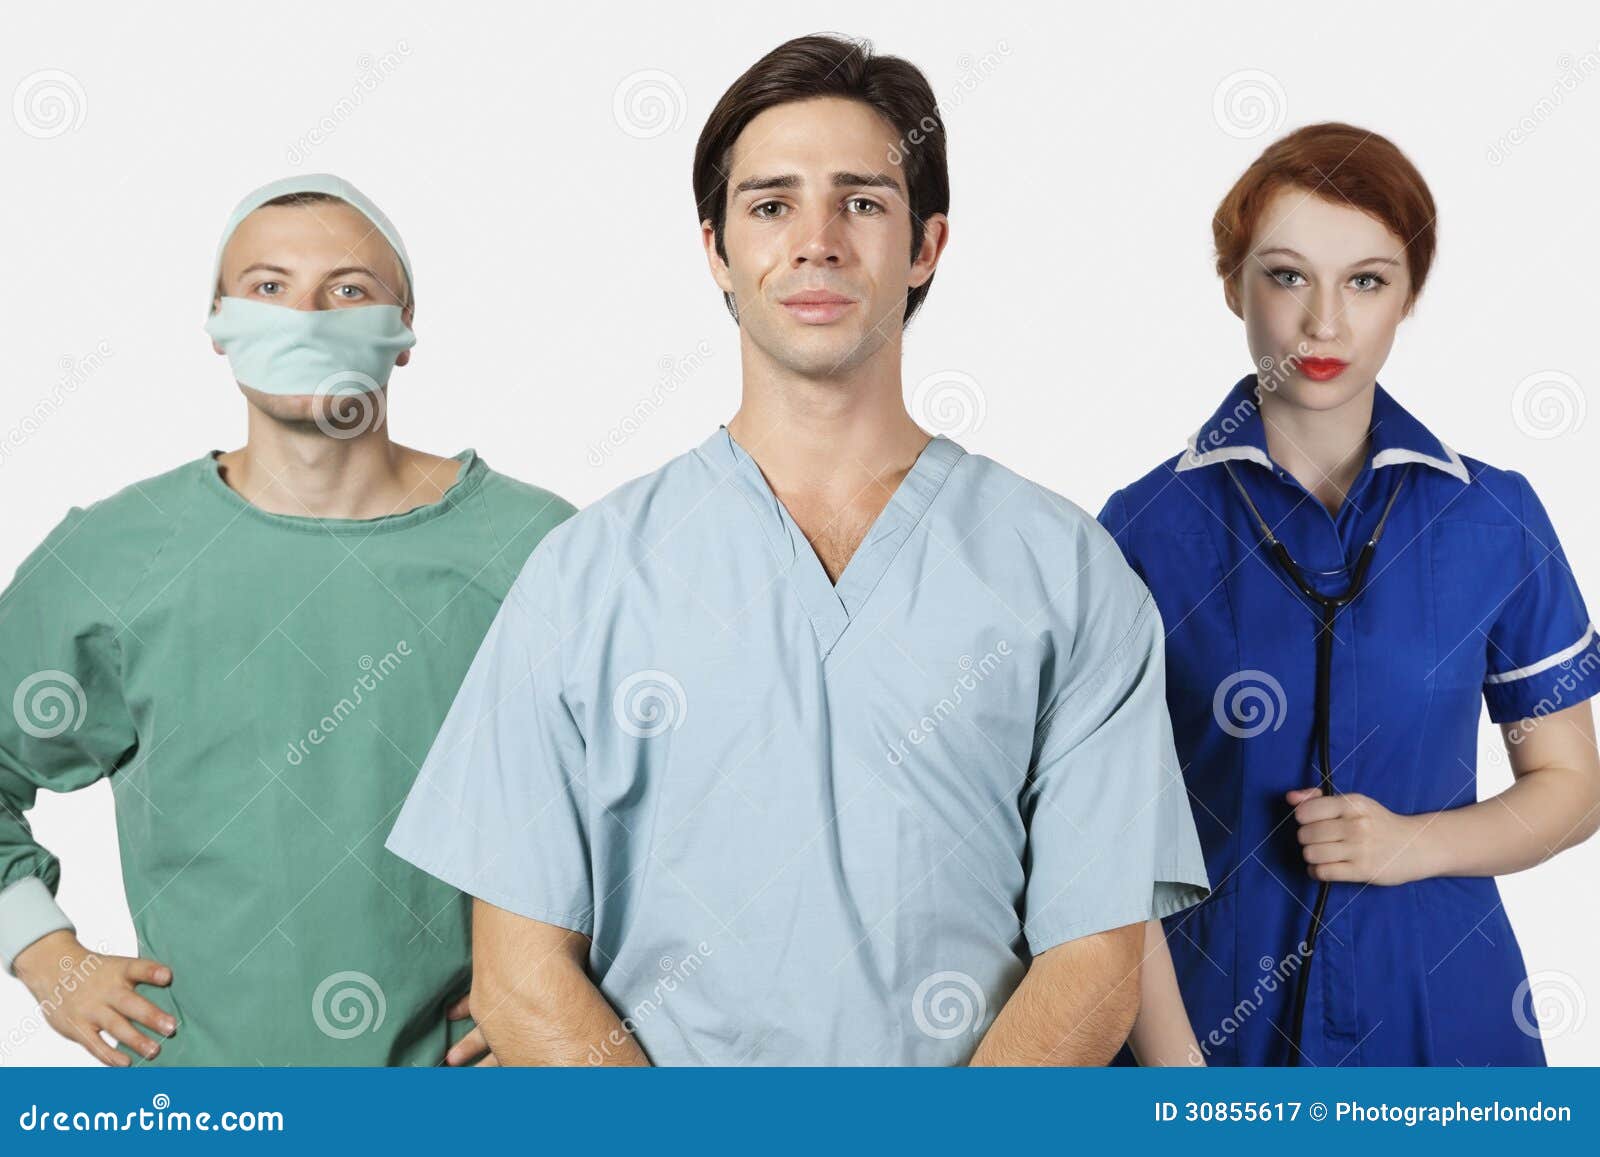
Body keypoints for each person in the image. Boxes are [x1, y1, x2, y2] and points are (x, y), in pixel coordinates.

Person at [386, 34, 1209, 1067]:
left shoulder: (1065, 572)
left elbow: (1093, 962)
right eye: (771, 205)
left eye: (861, 202)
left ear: (926, 246)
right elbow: (517, 973)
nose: (815, 241)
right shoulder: (584, 574)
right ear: (717, 251)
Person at [0, 174, 575, 1065]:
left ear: (405, 327)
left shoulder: (535, 548)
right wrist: (44, 953)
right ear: (220, 324)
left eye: (348, 290)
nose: (307, 318)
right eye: (268, 288)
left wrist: (553, 994)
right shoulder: (117, 558)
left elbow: (656, 810)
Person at [1102, 123, 1600, 1066]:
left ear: (1408, 294)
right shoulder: (1140, 528)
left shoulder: (1495, 516)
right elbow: (1099, 835)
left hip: (1445, 1016)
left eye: (1366, 280)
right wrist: (1179, 1082)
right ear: (1231, 284)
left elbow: (1574, 787)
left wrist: (1413, 844)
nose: (1323, 324)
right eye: (1287, 276)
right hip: (1210, 1025)